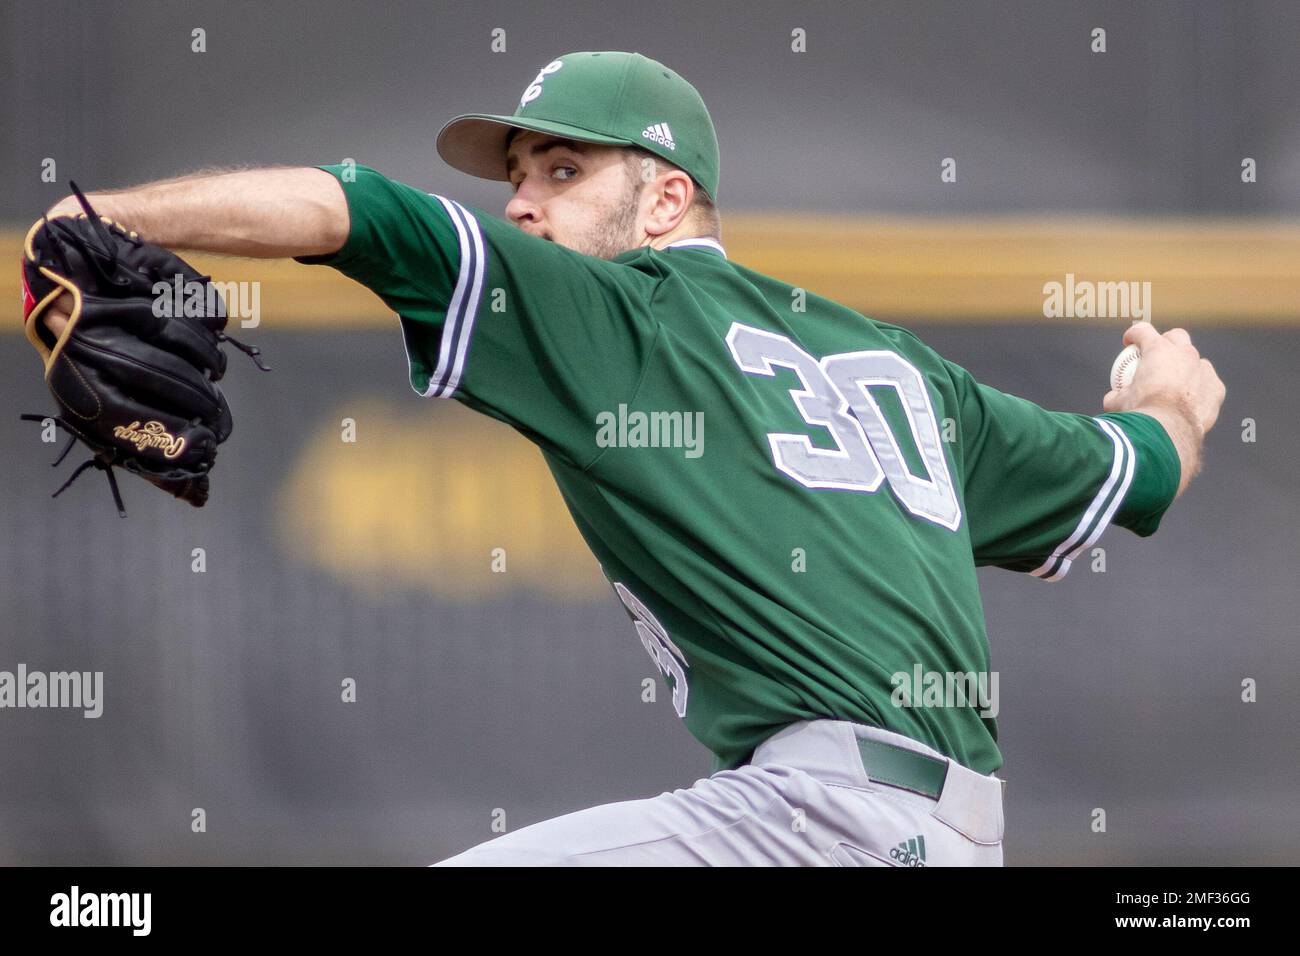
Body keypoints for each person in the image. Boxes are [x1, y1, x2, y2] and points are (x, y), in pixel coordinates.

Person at [38, 51, 1225, 866]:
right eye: (515, 179)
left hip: (812, 823)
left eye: (562, 170)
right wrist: (1173, 397)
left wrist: (99, 220)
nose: (523, 205)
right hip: (952, 833)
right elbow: (1137, 471)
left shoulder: (621, 313)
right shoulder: (907, 371)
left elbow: (357, 207)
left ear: (665, 201)